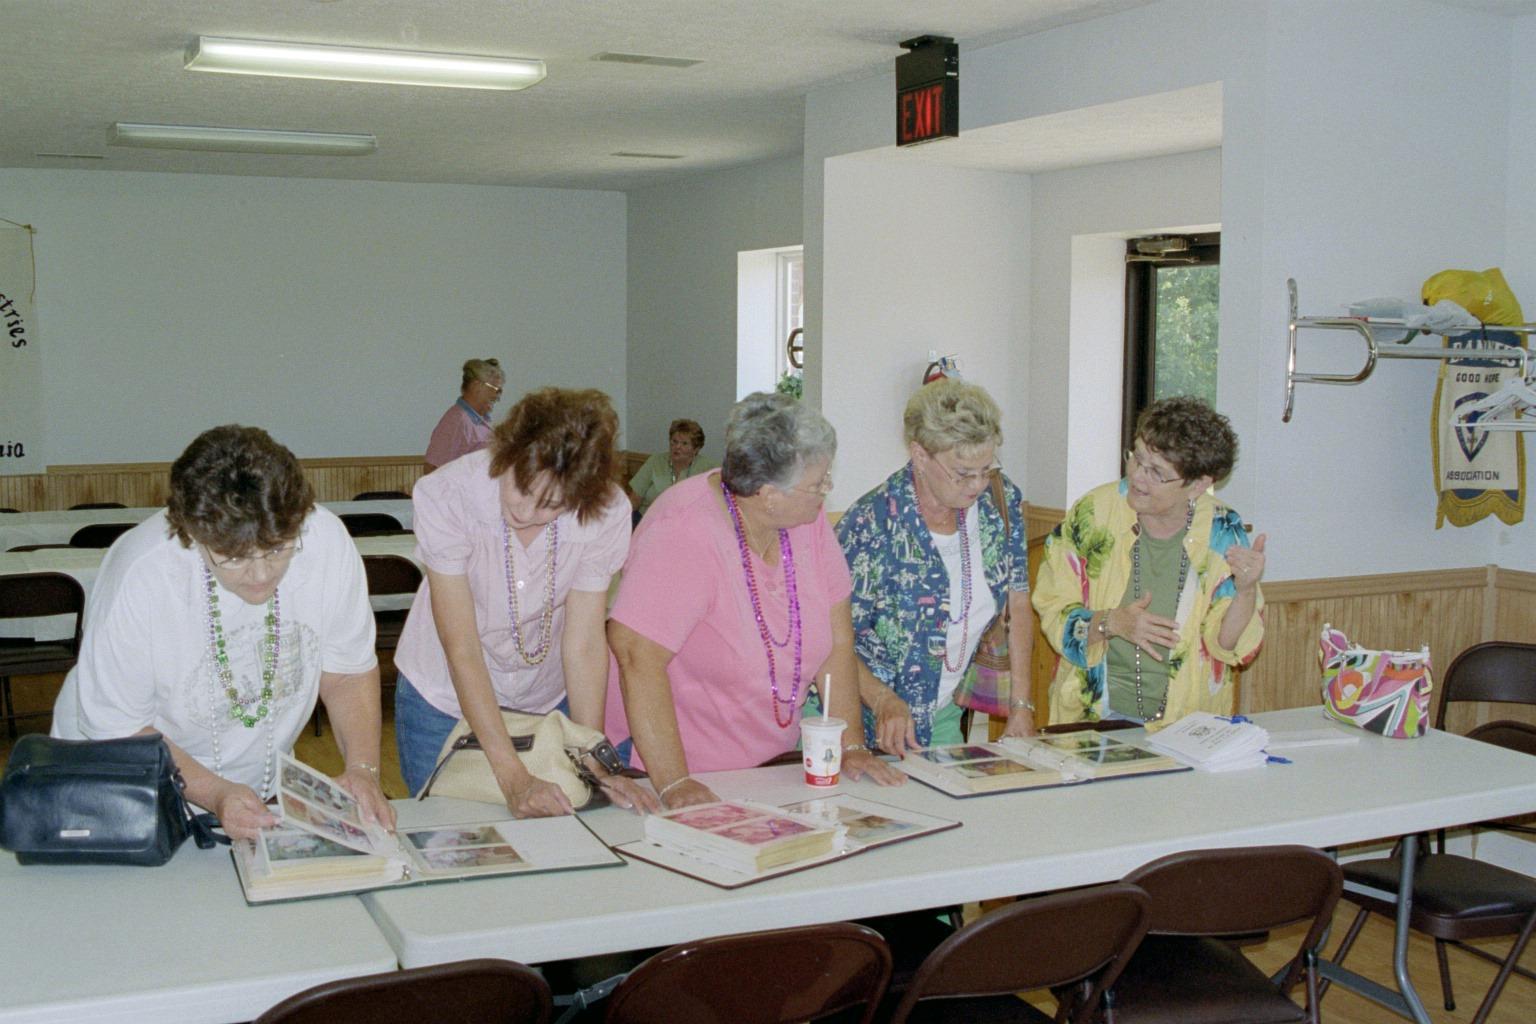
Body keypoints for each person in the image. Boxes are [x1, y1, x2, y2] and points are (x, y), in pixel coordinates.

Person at [51, 425, 392, 840]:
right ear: (192, 531)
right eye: (233, 557)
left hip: (243, 792)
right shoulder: (142, 572)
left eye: (278, 548)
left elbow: (347, 672)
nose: (262, 574)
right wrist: (215, 793)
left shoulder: (326, 542)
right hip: (119, 787)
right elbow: (118, 727)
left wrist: (362, 768)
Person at [606, 392, 904, 809]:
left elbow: (836, 641)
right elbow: (637, 655)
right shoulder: (683, 529)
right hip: (669, 768)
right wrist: (674, 782)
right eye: (817, 483)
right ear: (767, 494)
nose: (827, 491)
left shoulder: (806, 519)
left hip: (770, 767)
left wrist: (851, 746)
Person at [394, 386, 654, 816]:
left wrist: (590, 754)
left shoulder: (605, 512)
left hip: (545, 697)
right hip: (442, 699)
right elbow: (461, 646)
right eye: (522, 487)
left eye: (553, 504)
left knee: (560, 832)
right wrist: (512, 775)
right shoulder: (448, 495)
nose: (528, 510)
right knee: (447, 836)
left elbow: (585, 642)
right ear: (505, 453)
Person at [1032, 396, 1267, 727]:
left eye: (1157, 472)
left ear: (1198, 485)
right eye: (1136, 459)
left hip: (1185, 722)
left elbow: (1225, 646)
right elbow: (1052, 607)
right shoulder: (1094, 513)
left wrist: (1245, 592)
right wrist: (1112, 623)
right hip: (1091, 715)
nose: (1138, 478)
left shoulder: (1223, 532)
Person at [837, 380, 1036, 753]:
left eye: (986, 467)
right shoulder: (871, 523)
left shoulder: (1000, 501)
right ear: (920, 455)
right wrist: (882, 701)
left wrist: (1020, 705)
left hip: (941, 714)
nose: (977, 483)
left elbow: (1018, 604)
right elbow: (830, 639)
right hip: (858, 722)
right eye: (962, 473)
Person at [626, 418, 717, 523]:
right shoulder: (655, 461)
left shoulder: (708, 468)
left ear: (696, 449)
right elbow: (635, 499)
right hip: (648, 521)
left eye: (684, 443)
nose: (677, 447)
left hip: (686, 524)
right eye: (674, 441)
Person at [424, 357, 504, 472]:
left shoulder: (481, 420)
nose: (497, 396)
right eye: (496, 390)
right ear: (477, 386)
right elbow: (431, 470)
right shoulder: (456, 421)